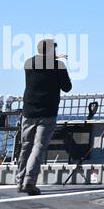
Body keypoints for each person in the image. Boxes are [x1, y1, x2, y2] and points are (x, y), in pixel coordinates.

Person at [16, 38, 72, 195]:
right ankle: (29, 181)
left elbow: (42, 66)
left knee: (26, 146)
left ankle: (20, 181)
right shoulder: (58, 66)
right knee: (38, 146)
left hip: (28, 110)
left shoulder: (28, 63)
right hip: (47, 112)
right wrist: (59, 63)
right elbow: (67, 87)